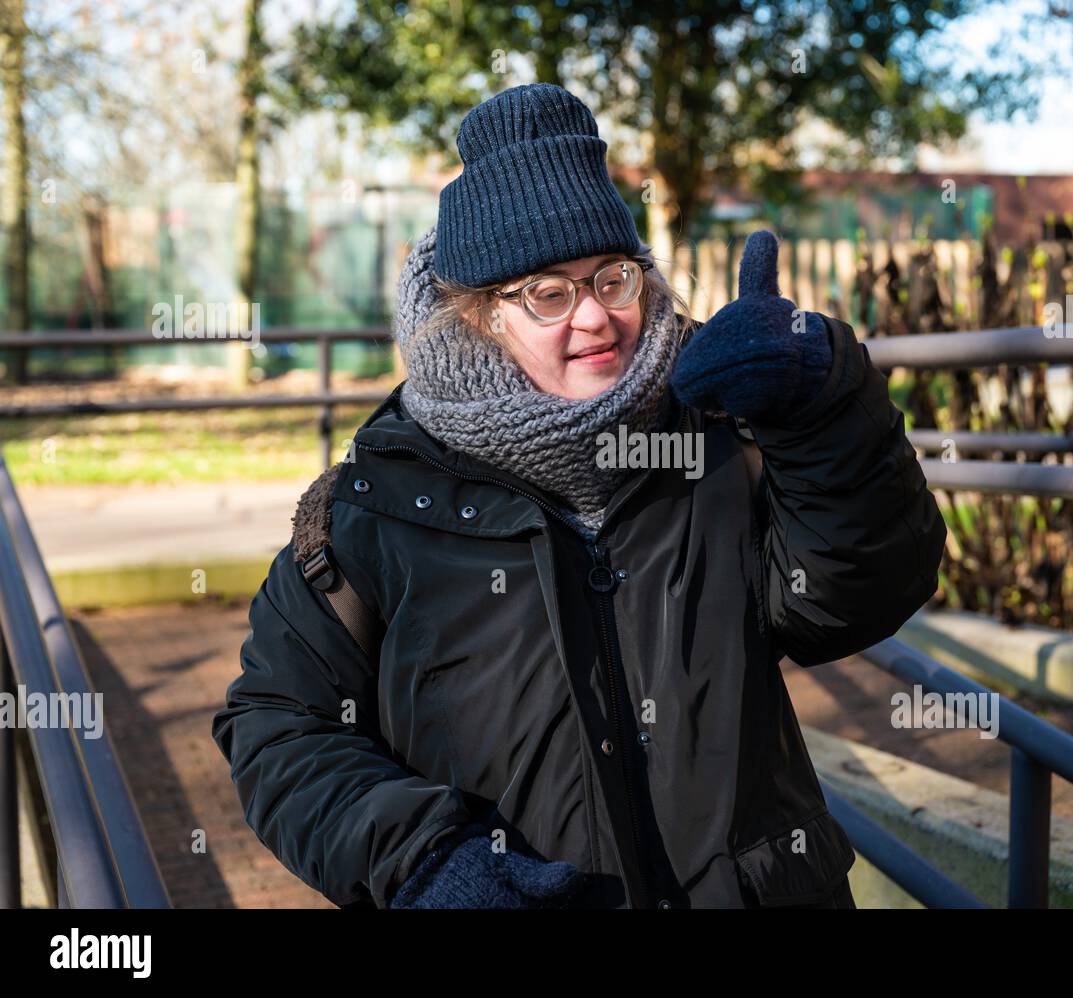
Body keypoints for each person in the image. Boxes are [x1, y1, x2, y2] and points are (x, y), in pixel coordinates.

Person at [212, 82, 947, 910]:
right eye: (549, 294)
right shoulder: (373, 507)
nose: (596, 317)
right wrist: (423, 860)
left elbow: (854, 599)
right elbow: (279, 725)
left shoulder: (720, 433)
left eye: (613, 277)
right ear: (482, 315)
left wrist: (824, 409)